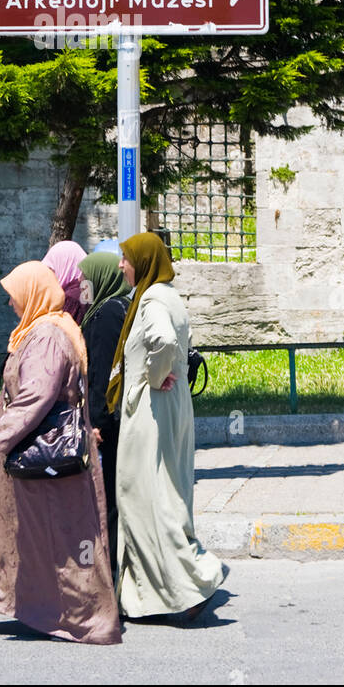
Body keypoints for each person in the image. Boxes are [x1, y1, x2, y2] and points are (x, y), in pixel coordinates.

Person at [0, 260, 121, 645]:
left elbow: (34, 398)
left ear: (33, 294)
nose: (10, 304)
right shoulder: (43, 330)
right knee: (16, 533)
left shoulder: (47, 337)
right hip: (32, 456)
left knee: (63, 539)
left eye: (14, 296)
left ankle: (88, 618)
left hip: (45, 457)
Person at [109, 232, 224, 623]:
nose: (121, 265)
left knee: (144, 498)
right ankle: (163, 591)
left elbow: (162, 339)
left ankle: (189, 587)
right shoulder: (170, 295)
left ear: (142, 261)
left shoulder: (153, 299)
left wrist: (155, 377)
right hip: (171, 407)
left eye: (126, 259)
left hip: (152, 411)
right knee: (167, 497)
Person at [78, 250, 131, 574]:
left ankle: (110, 581)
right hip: (119, 420)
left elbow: (103, 373)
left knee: (109, 502)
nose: (83, 287)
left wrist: (96, 421)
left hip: (109, 424)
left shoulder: (108, 313)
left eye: (87, 281)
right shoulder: (117, 306)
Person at [42, 239, 90, 323]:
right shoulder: (85, 289)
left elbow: (59, 331)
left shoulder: (72, 298)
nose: (49, 274)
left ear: (64, 266)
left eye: (52, 268)